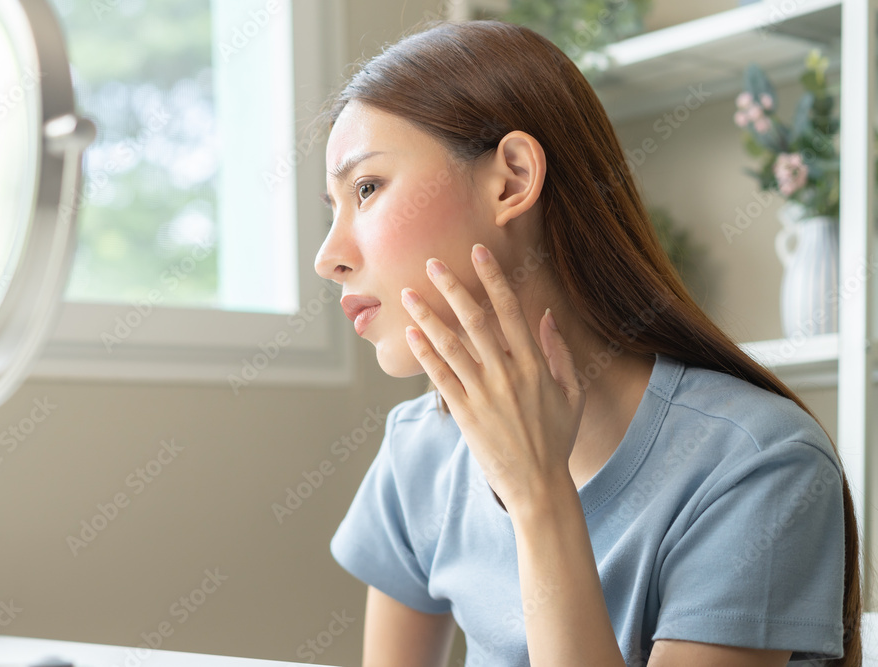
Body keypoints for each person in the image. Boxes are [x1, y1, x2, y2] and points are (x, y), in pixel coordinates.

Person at [312, 19, 861, 667]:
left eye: (367, 189)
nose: (329, 257)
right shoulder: (421, 450)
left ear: (513, 178)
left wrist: (538, 493)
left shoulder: (758, 466)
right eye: (333, 206)